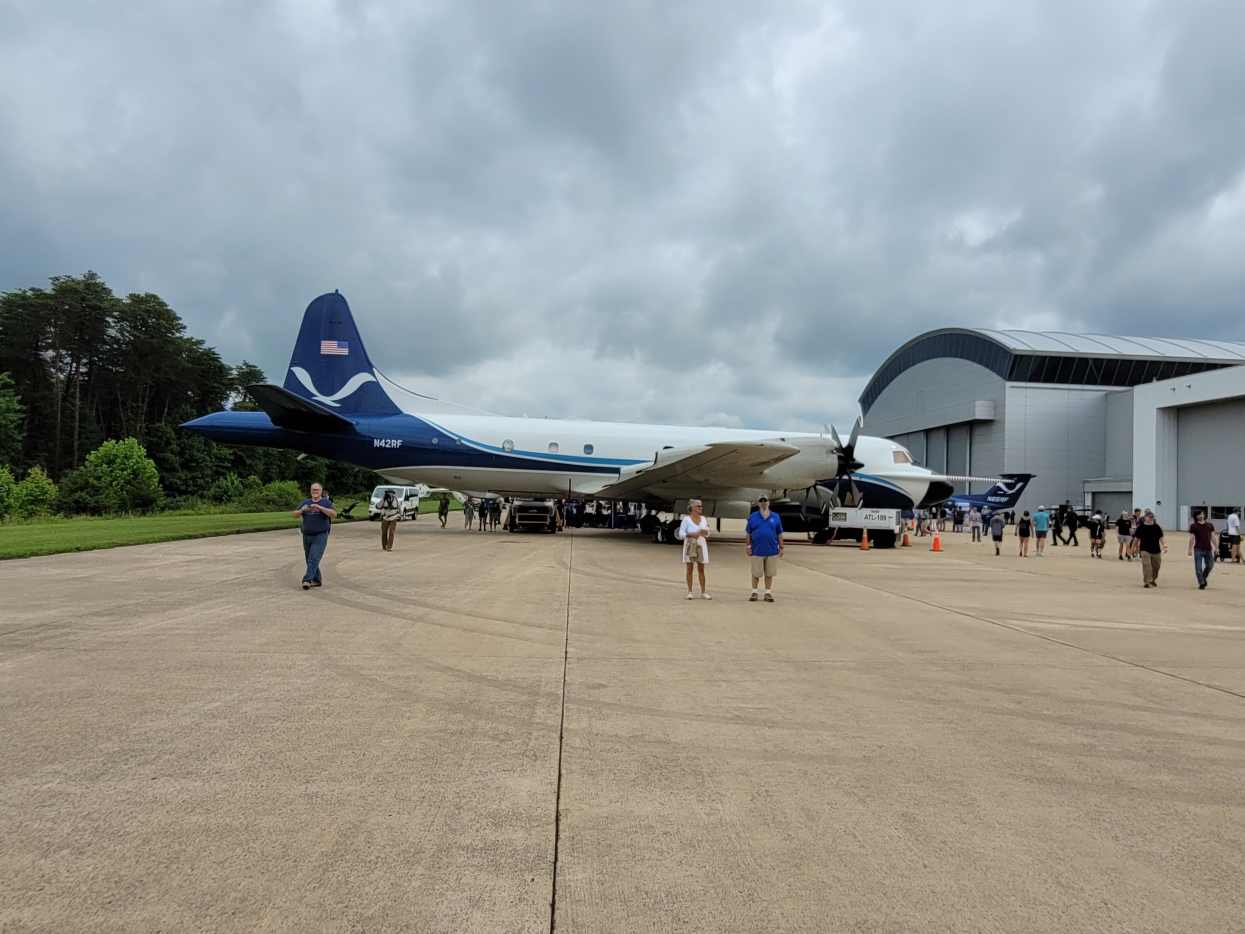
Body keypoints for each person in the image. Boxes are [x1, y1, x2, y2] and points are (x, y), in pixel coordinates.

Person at [292, 482, 336, 589]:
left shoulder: (326, 502)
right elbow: (294, 515)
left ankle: (307, 580)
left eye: (317, 490)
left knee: (314, 557)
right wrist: (302, 510)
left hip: (320, 535)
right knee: (309, 558)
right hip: (306, 535)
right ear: (310, 491)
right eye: (313, 490)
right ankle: (317, 580)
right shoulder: (305, 502)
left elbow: (334, 514)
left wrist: (319, 507)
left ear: (321, 491)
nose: (315, 492)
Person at [745, 495, 784, 602]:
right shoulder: (753, 516)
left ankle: (768, 593)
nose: (763, 502)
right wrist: (748, 546)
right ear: (758, 503)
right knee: (756, 573)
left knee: (769, 573)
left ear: (768, 502)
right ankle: (754, 592)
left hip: (772, 550)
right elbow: (748, 533)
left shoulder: (775, 516)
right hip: (757, 550)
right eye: (761, 501)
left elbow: (779, 533)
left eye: (765, 500)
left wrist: (781, 547)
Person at [678, 499, 711, 600]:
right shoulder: (686, 519)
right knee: (689, 568)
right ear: (692, 508)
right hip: (690, 544)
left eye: (701, 506)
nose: (701, 508)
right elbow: (681, 534)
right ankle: (690, 592)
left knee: (701, 569)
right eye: (698, 506)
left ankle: (703, 592)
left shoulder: (704, 519)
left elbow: (708, 533)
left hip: (701, 544)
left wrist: (705, 532)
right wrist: (691, 534)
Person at [1134, 509, 1167, 588]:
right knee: (1147, 566)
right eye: (1149, 517)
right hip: (1144, 550)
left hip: (1156, 550)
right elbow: (1136, 539)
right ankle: (1147, 582)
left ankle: (1152, 579)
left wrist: (1165, 546)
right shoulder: (1141, 527)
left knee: (1156, 567)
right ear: (1145, 518)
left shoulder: (1157, 527)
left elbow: (1161, 538)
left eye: (1152, 517)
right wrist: (1133, 549)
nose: (1151, 518)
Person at [1187, 512, 1219, 590]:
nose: (1201, 516)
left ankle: (1203, 578)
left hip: (1208, 549)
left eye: (1202, 514)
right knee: (1198, 568)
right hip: (1198, 549)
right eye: (1199, 515)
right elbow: (1191, 538)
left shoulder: (1209, 525)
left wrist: (1216, 548)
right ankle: (1201, 583)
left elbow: (1213, 537)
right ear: (1196, 516)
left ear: (1204, 515)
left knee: (1210, 565)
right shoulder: (1193, 526)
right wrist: (1189, 549)